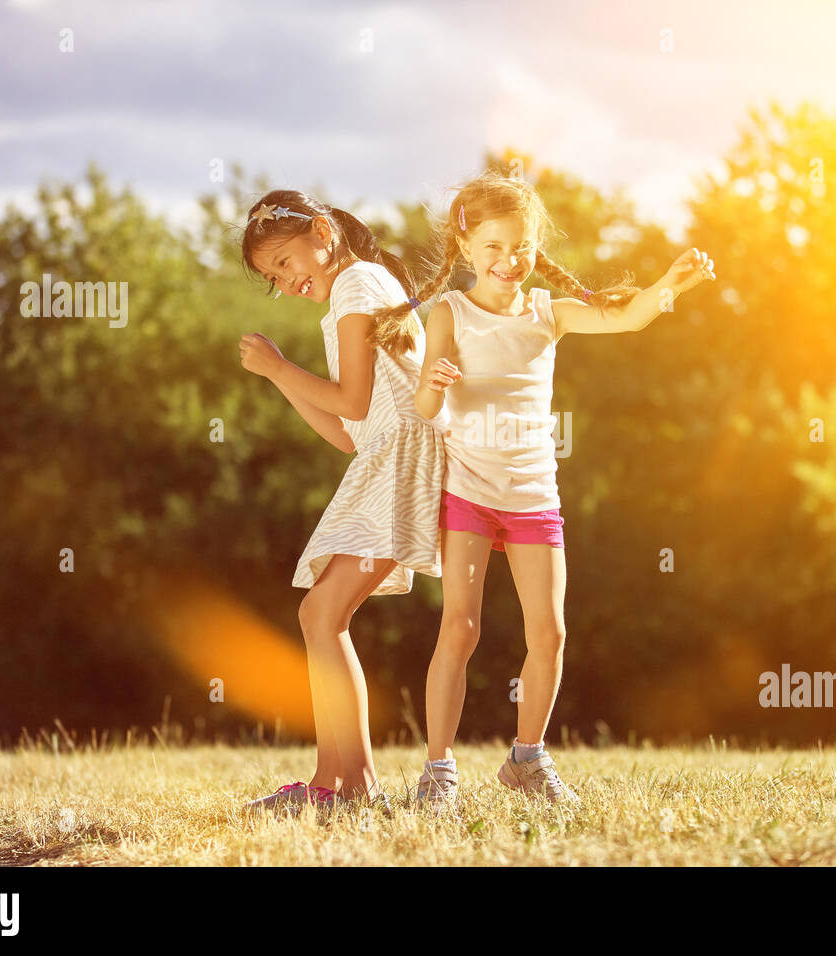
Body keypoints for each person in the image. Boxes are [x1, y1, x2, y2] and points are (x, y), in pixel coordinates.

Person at [368, 170, 715, 806]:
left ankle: (526, 760)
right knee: (461, 629)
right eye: (494, 247)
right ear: (466, 245)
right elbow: (423, 406)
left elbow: (628, 318)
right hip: (468, 491)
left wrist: (668, 285)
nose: (509, 260)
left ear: (536, 248)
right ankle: (438, 769)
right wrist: (435, 381)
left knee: (549, 634)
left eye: (521, 246)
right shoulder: (449, 313)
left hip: (532, 497)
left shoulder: (546, 313)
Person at [237, 190, 447, 813]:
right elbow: (345, 431)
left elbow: (351, 402)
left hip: (404, 457)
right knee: (318, 617)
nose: (286, 278)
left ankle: (352, 788)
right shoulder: (353, 295)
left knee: (322, 615)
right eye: (273, 276)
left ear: (322, 232)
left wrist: (279, 369)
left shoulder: (357, 282)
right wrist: (283, 380)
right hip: (381, 455)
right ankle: (332, 782)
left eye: (284, 259)